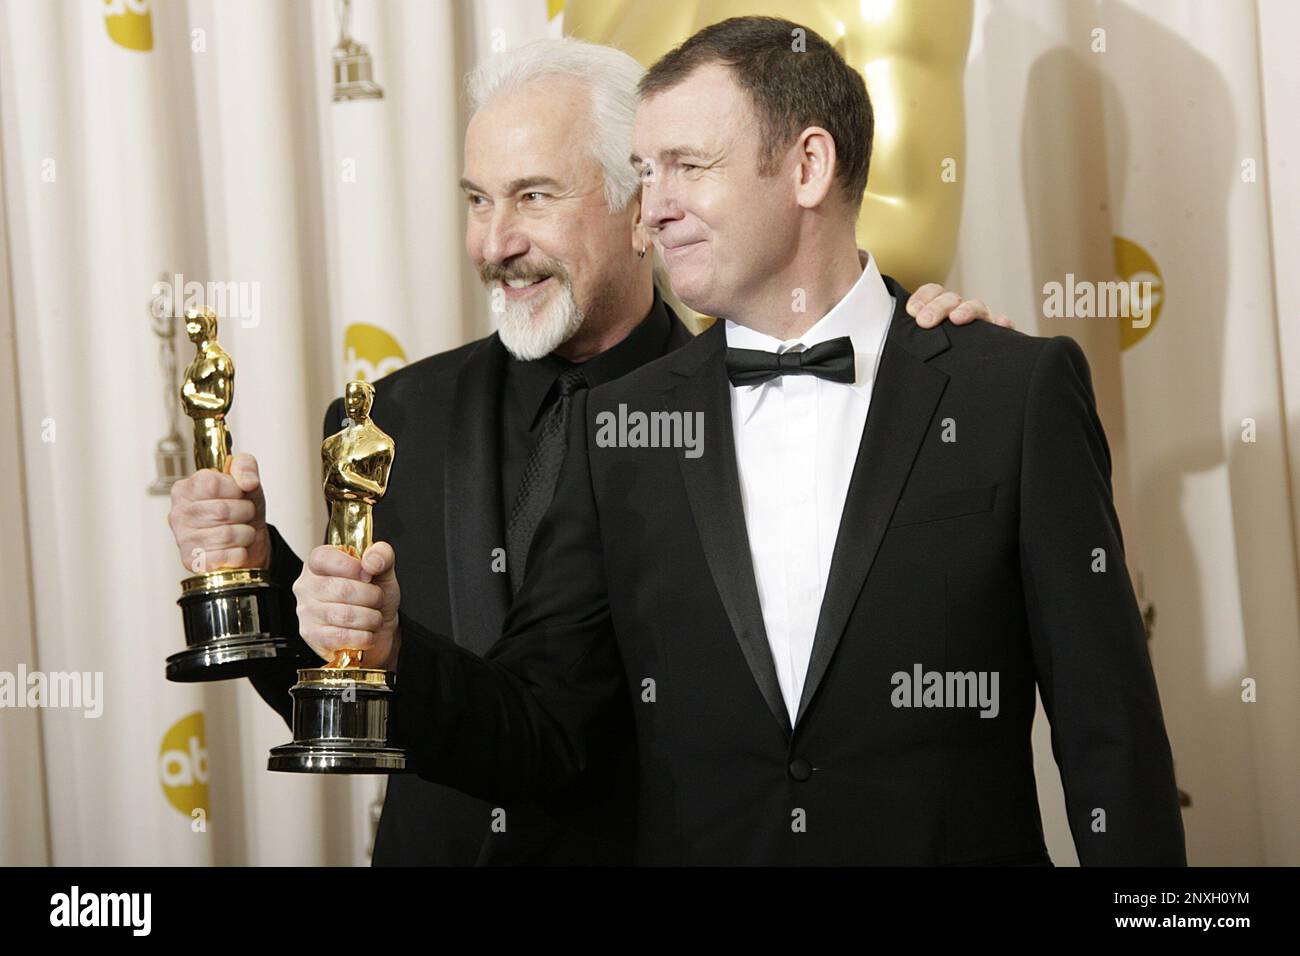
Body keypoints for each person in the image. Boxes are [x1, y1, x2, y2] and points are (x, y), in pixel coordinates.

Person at [166, 36, 995, 865]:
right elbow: (345, 701)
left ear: (640, 208)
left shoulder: (753, 405)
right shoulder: (396, 417)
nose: (494, 244)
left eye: (533, 196)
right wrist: (253, 574)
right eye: (478, 201)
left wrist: (913, 353)